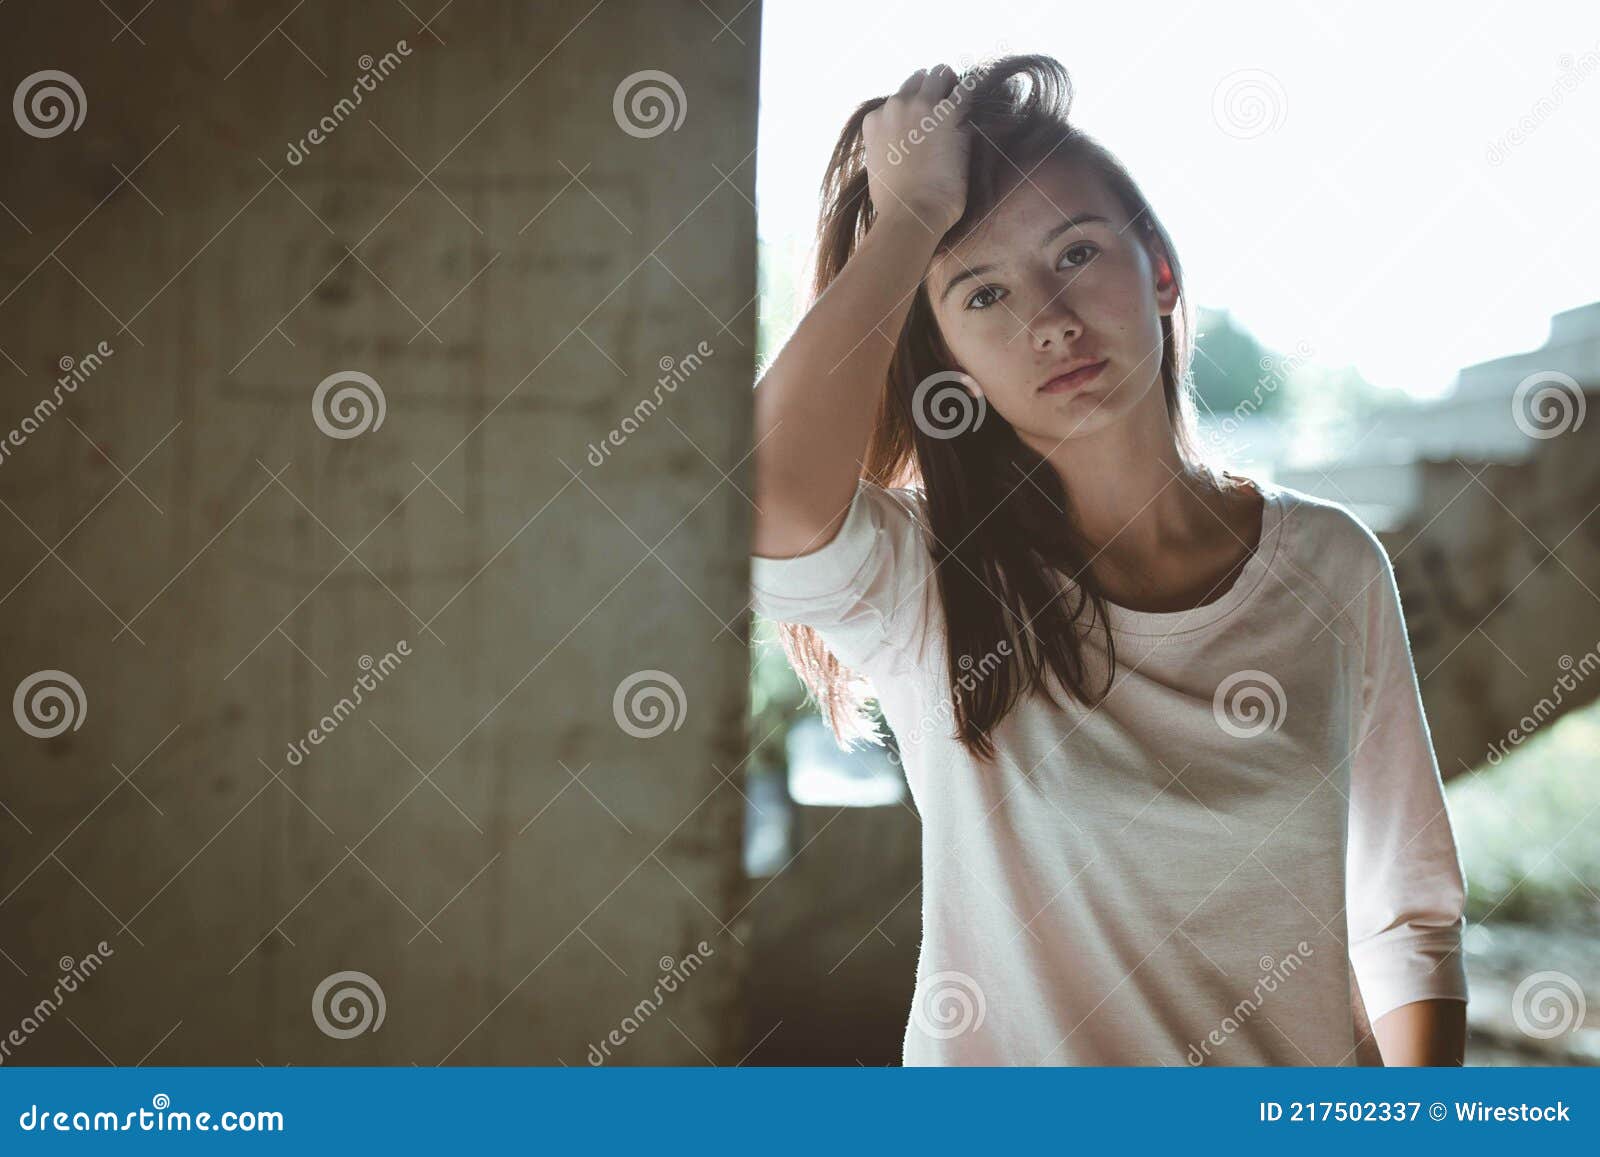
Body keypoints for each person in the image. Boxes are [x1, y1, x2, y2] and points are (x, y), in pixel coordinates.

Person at [749, 55, 1469, 1066]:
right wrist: (908, 215)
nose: (1048, 319)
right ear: (950, 360)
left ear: (1158, 269)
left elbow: (1406, 915)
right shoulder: (926, 583)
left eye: (1076, 252)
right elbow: (766, 496)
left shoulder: (1329, 563)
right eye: (983, 294)